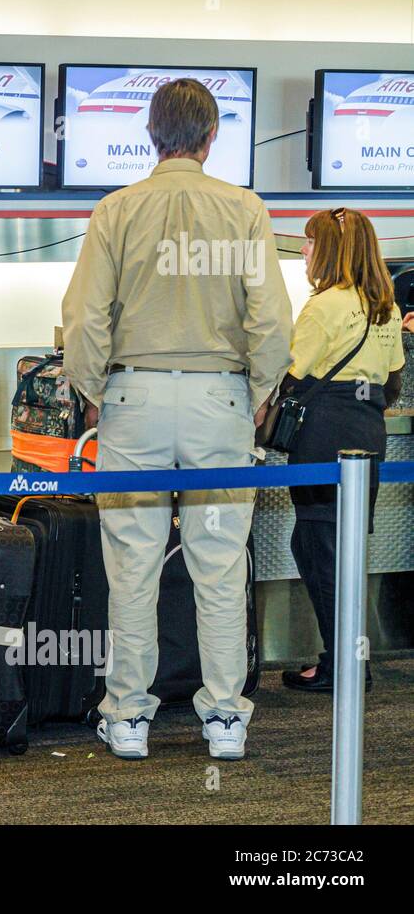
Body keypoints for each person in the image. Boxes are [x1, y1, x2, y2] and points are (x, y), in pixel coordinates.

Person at [61, 78, 293, 761]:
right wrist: (256, 391)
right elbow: (271, 319)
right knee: (219, 568)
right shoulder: (245, 209)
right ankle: (225, 720)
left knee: (132, 567)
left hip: (133, 401)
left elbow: (84, 318)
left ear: (151, 135)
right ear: (212, 135)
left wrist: (94, 390)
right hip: (219, 402)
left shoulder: (116, 210)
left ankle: (129, 717)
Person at [280, 208, 403, 692]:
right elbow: (391, 384)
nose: (306, 250)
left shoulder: (323, 306)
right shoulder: (386, 306)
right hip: (368, 436)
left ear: (331, 249)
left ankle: (345, 667)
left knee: (317, 549)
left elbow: (292, 378)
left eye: (311, 242)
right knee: (346, 552)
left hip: (322, 438)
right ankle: (346, 658)